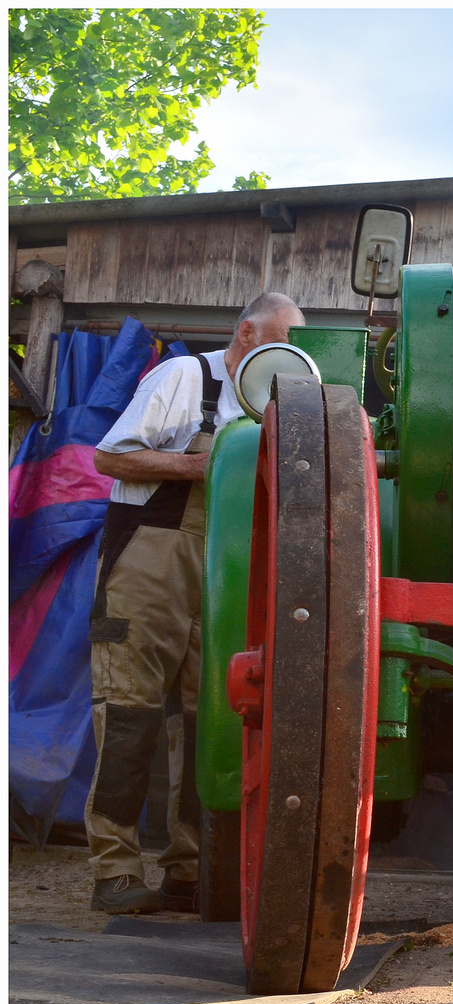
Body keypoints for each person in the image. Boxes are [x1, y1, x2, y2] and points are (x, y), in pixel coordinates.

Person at [85, 293, 305, 914]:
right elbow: (108, 456)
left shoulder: (275, 405)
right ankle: (114, 872)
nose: (289, 357)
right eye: (281, 341)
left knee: (209, 723)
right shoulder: (187, 376)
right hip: (149, 566)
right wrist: (200, 467)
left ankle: (188, 868)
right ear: (246, 333)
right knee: (129, 715)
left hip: (224, 575)